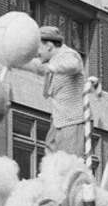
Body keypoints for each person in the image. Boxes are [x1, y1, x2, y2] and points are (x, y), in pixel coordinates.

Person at [28, 25, 86, 157]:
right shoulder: (52, 61)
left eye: (38, 48)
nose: (37, 53)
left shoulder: (68, 54)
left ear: (48, 45)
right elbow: (36, 66)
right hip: (58, 120)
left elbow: (73, 65)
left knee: (68, 163)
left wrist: (51, 67)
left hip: (73, 120)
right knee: (51, 157)